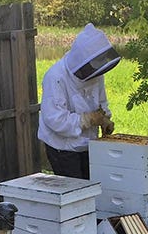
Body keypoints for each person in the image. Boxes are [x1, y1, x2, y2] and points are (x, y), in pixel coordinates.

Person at [38, 23, 121, 179]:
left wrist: (104, 119)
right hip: (62, 148)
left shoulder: (95, 73)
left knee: (91, 190)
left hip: (88, 145)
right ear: (82, 60)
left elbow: (101, 102)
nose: (93, 71)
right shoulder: (55, 77)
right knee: (74, 195)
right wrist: (87, 119)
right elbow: (55, 119)